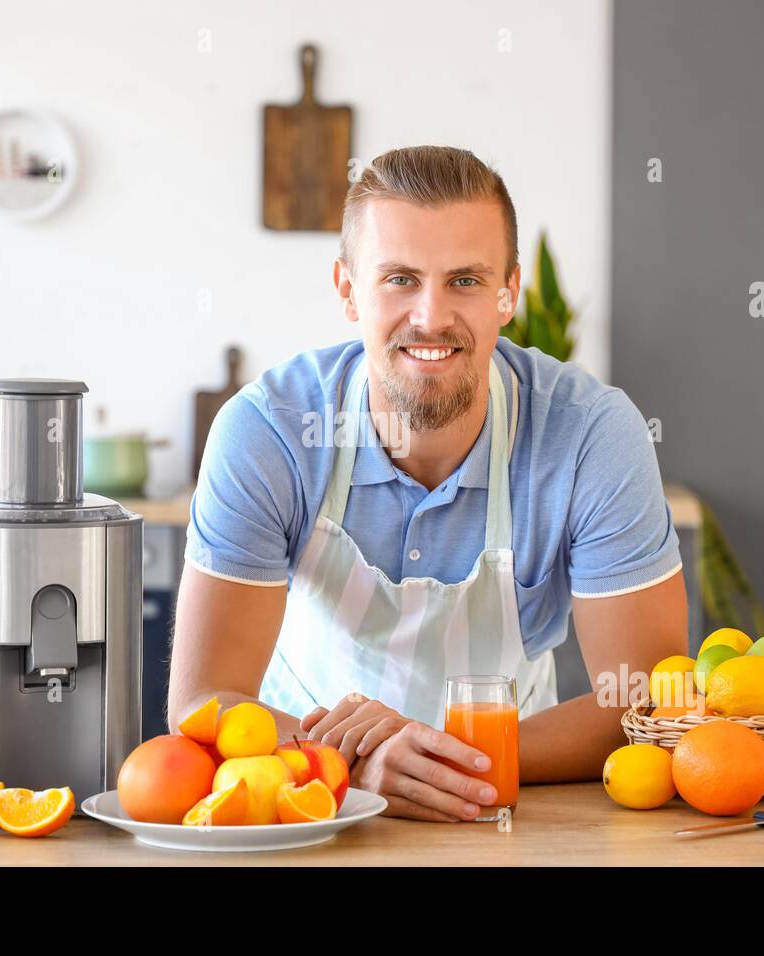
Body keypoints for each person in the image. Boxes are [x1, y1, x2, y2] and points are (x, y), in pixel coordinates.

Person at [169, 145, 687, 821]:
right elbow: (205, 700)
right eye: (400, 279)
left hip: (510, 811)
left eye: (466, 281)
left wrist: (437, 762)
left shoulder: (590, 434)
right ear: (348, 289)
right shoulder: (268, 430)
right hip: (308, 811)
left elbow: (644, 702)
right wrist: (352, 764)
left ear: (509, 293)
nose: (431, 317)